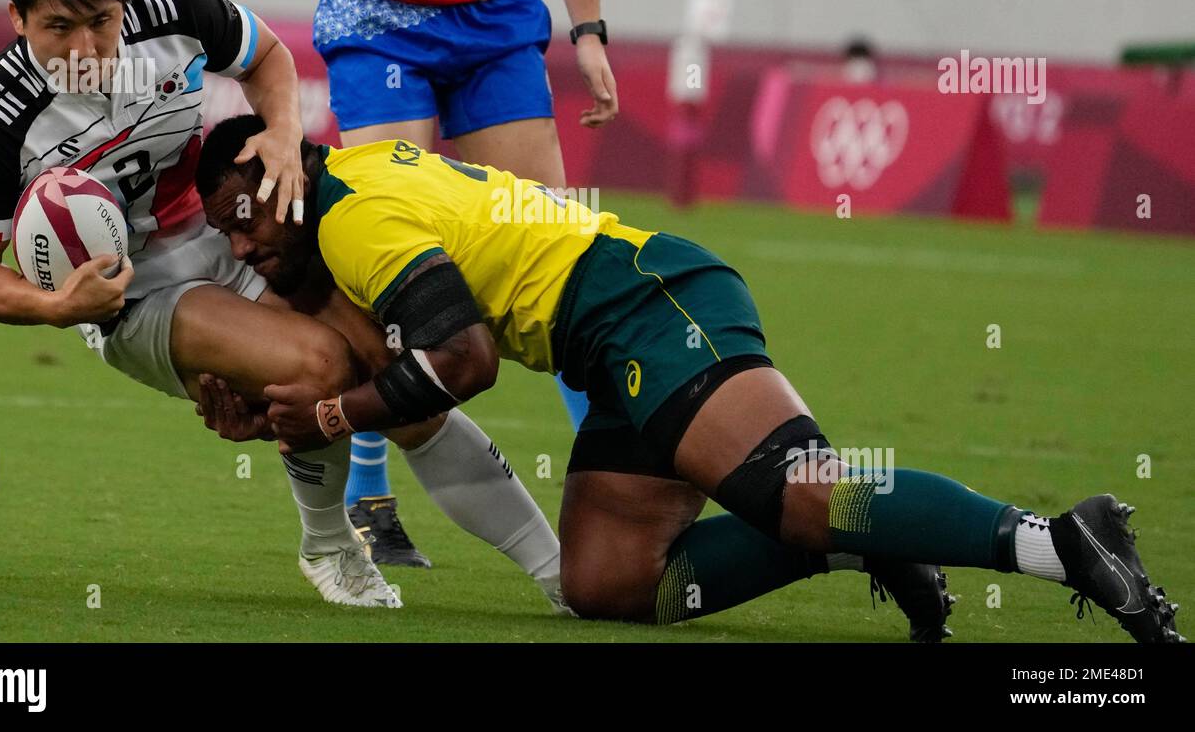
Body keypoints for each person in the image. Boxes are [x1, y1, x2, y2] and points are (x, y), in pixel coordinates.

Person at [195, 118, 1184, 642]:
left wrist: (329, 407)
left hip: (645, 296)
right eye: (224, 228)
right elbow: (371, 348)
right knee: (610, 584)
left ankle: (1058, 540)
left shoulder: (352, 218)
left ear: (286, 169)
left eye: (248, 212)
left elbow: (463, 362)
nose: (243, 240)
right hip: (603, 337)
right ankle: (872, 544)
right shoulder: (338, 200)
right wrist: (266, 399)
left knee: (794, 491)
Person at [0, 0, 564, 610]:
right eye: (58, 28)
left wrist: (284, 133)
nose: (84, 51)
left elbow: (268, 60)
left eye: (100, 23)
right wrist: (57, 305)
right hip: (131, 295)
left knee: (401, 376)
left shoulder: (175, 11)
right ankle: (331, 547)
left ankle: (561, 575)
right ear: (16, 16)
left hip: (223, 235)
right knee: (320, 366)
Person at [282, 0, 617, 553]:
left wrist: (590, 31)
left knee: (558, 246)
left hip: (491, 25)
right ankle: (369, 496)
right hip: (377, 20)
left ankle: (611, 476)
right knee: (384, 250)